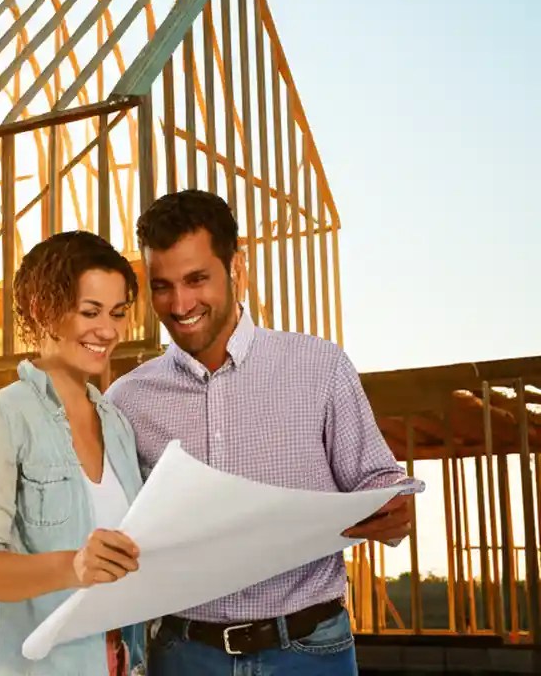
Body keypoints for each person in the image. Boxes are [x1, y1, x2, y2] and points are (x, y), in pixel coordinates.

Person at [105, 189, 421, 675]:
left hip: (309, 654)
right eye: (162, 286)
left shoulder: (321, 367)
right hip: (185, 656)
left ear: (237, 269)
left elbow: (379, 482)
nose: (180, 304)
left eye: (197, 279)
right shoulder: (127, 401)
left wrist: (393, 508)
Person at [0, 230, 149, 675]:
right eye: (90, 312)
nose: (108, 330)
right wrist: (73, 567)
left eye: (118, 313)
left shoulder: (117, 424)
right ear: (44, 310)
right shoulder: (0, 417)